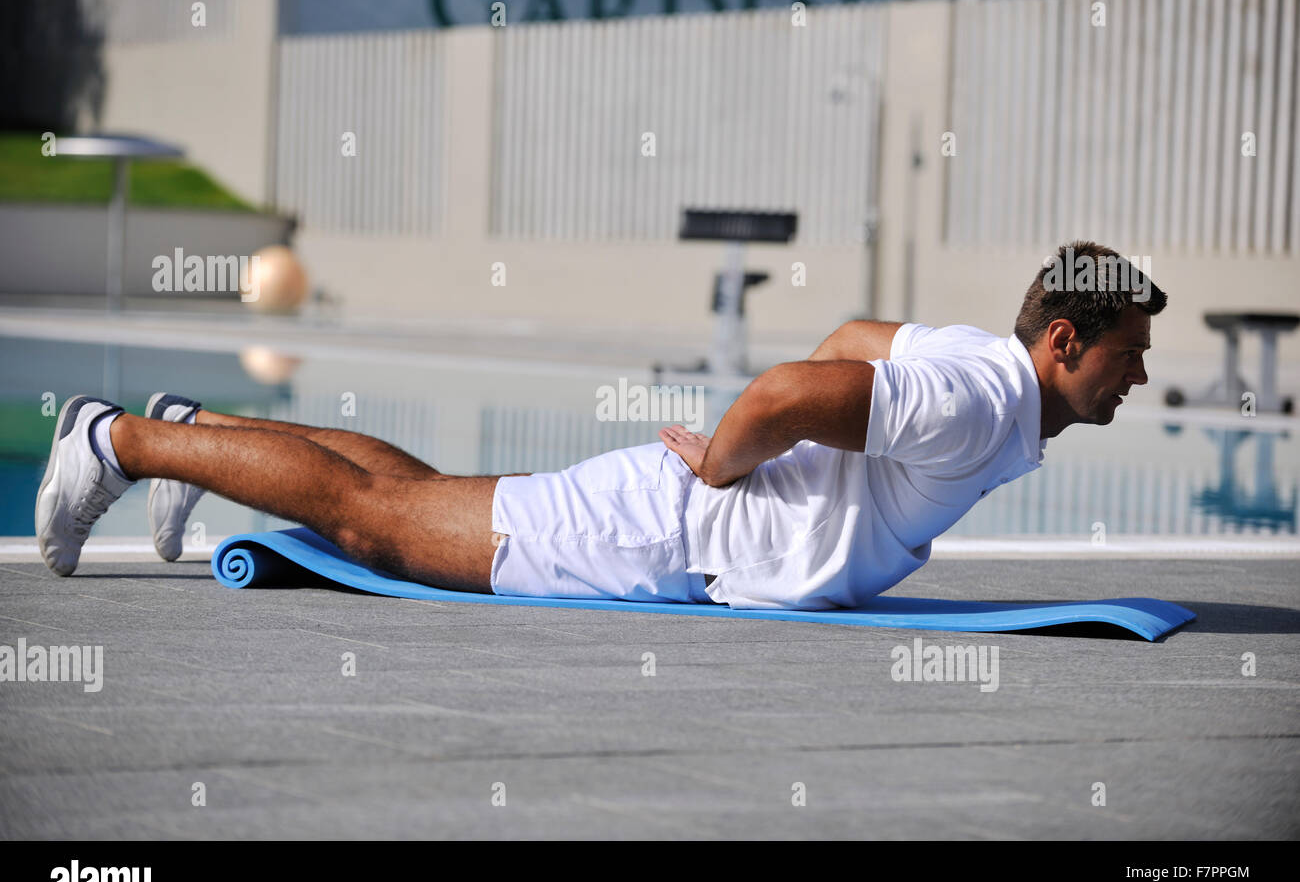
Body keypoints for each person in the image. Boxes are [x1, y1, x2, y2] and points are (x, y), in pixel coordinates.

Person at [36, 240, 1164, 610]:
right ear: (1063, 339)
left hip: (671, 521)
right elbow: (780, 394)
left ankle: (193, 424)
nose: (1141, 375)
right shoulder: (979, 399)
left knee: (418, 491)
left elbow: (856, 333)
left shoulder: (977, 361)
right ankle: (118, 440)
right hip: (666, 534)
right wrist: (730, 468)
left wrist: (803, 471)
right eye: (1128, 352)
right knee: (380, 525)